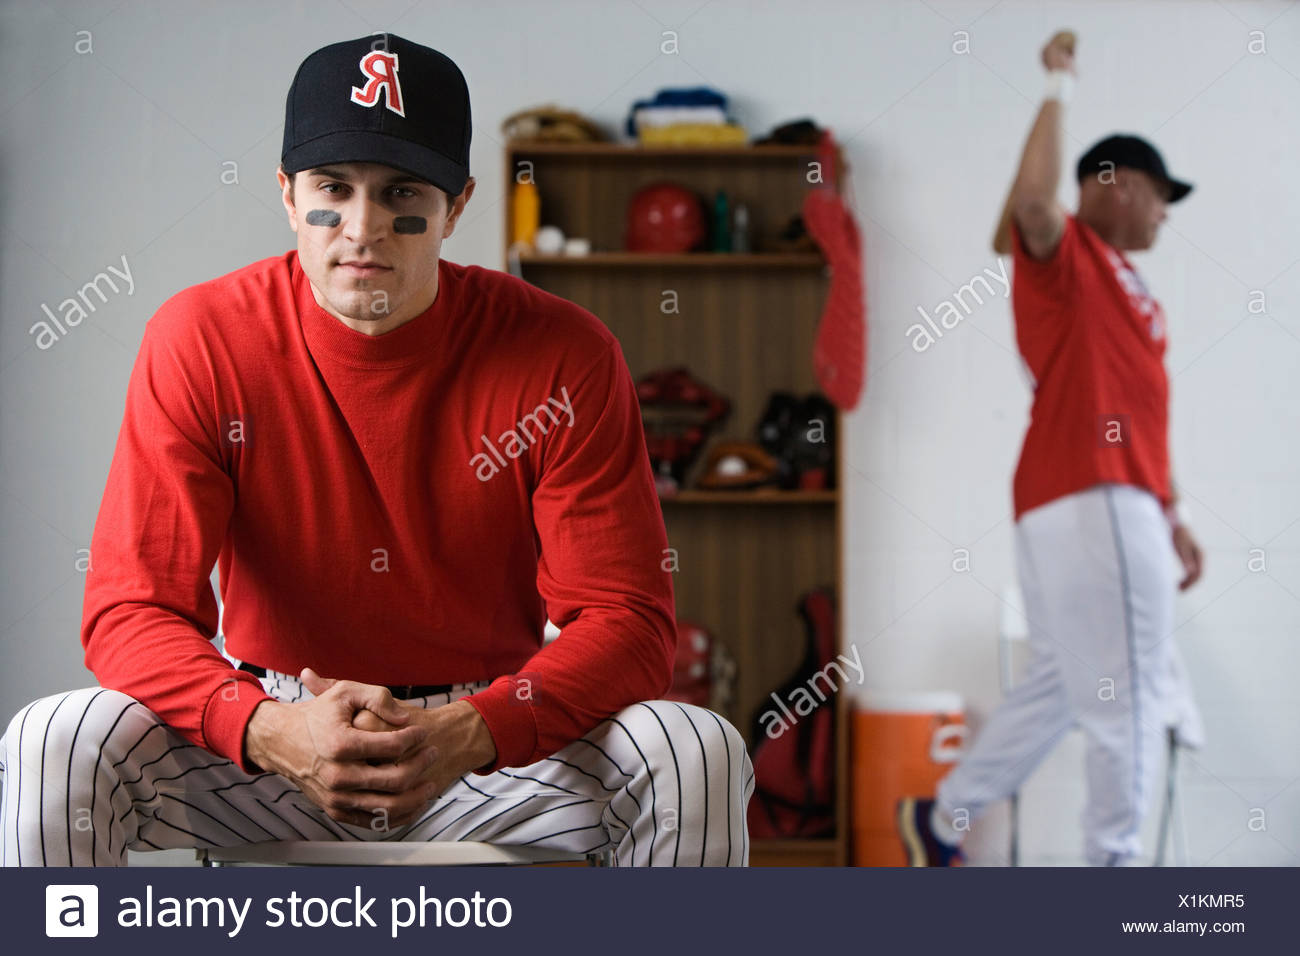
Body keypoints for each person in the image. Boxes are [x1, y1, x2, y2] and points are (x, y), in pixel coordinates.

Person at [0, 33, 753, 867]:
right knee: (56, 737)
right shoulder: (202, 338)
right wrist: (266, 726)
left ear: (456, 206)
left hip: (486, 740)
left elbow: (629, 621)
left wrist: (474, 730)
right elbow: (129, 610)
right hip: (265, 731)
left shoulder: (563, 351)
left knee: (694, 749)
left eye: (401, 192)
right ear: (288, 195)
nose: (361, 229)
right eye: (332, 189)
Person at [899, 30, 1205, 867]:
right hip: (1092, 495)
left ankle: (945, 819)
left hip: (1094, 500)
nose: (1166, 214)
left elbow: (1143, 411)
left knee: (1067, 688)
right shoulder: (1068, 253)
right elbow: (1031, 207)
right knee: (1131, 695)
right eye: (1160, 195)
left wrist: (1171, 509)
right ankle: (1116, 878)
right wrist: (1059, 87)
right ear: (1121, 185)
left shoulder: (1142, 299)